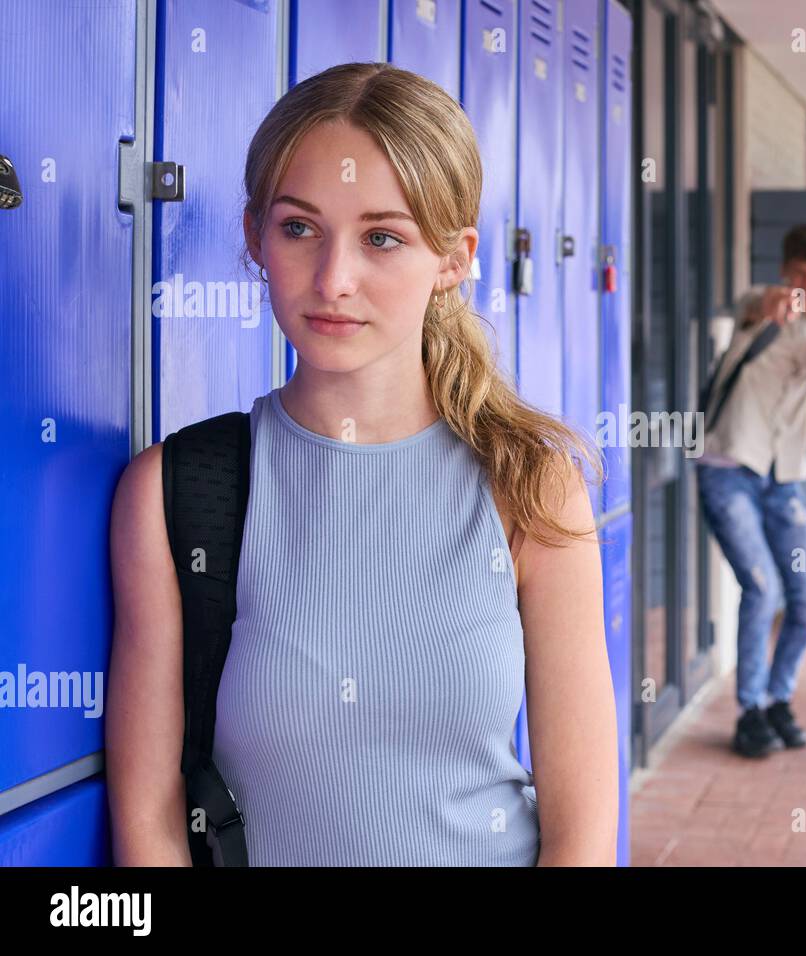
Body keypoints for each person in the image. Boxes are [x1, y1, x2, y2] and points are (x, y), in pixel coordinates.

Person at [105, 63, 619, 866]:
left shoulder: (527, 486)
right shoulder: (176, 493)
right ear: (255, 236)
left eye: (383, 237)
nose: (333, 280)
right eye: (299, 228)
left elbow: (582, 832)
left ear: (454, 257)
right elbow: (150, 823)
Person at [696, 225, 806, 758]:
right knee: (761, 587)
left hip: (781, 480)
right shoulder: (761, 307)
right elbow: (751, 303)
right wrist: (772, 301)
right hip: (728, 469)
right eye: (800, 275)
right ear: (785, 271)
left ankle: (776, 699)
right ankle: (749, 712)